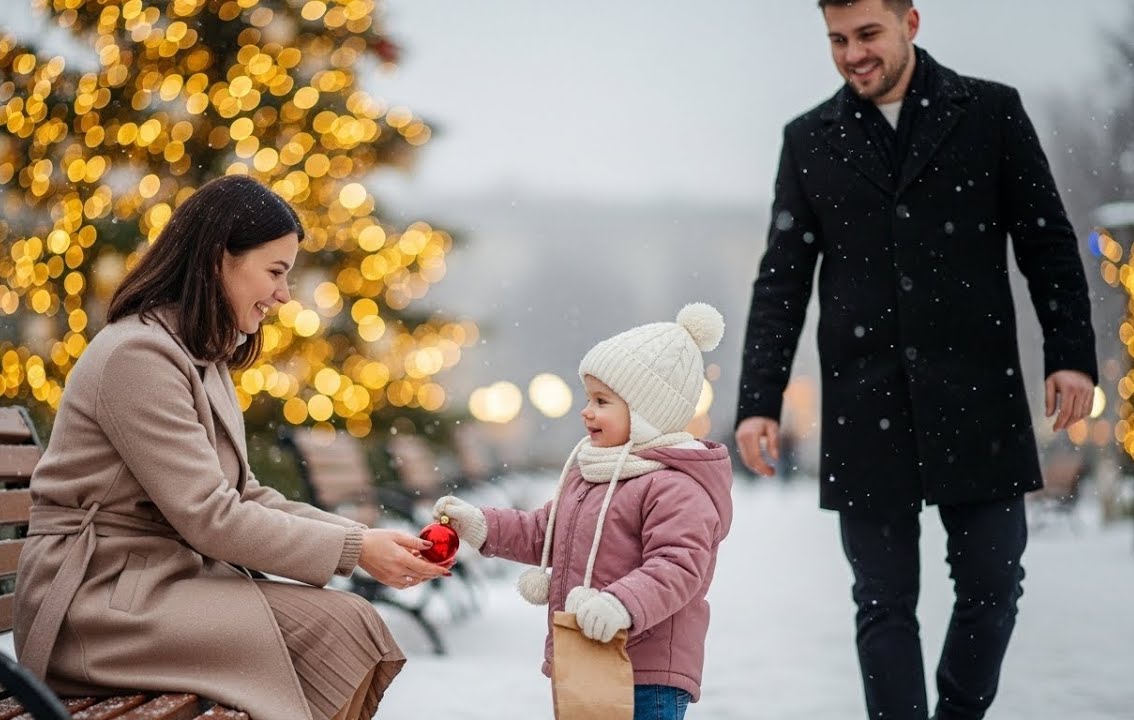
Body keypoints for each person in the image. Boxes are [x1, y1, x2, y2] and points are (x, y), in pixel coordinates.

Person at [734, 2, 1098, 719]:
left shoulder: (990, 113)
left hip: (979, 396)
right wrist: (757, 401)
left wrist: (1071, 354)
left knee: (994, 585)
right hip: (864, 403)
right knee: (883, 602)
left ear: (911, 22)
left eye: (868, 34)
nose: (852, 54)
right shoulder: (810, 139)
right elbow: (781, 281)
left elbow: (1048, 242)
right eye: (837, 40)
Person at [12, 175, 449, 720]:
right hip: (97, 602)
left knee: (352, 622)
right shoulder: (138, 357)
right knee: (338, 627)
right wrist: (354, 552)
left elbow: (244, 494)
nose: (285, 295)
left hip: (158, 584)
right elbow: (210, 516)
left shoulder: (200, 357)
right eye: (275, 271)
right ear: (219, 259)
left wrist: (359, 540)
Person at [436, 303, 733, 720]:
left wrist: (621, 605)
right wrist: (483, 526)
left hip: (643, 669)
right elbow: (545, 532)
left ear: (648, 413)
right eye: (588, 397)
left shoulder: (676, 486)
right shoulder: (591, 472)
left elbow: (678, 567)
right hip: (585, 655)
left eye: (602, 400)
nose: (586, 410)